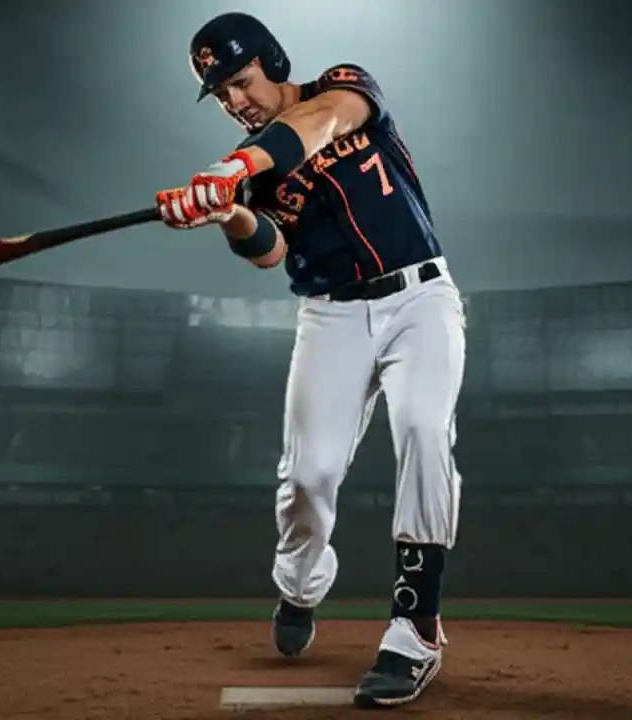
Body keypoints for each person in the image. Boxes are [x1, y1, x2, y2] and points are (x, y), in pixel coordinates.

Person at [154, 12, 466, 709]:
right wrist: (225, 209)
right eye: (221, 93)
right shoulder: (254, 173)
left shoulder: (344, 86)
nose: (235, 101)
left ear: (274, 60)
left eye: (240, 80)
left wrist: (234, 167)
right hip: (331, 315)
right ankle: (298, 589)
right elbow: (267, 250)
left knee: (422, 430)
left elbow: (325, 121)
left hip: (421, 297)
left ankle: (415, 629)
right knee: (310, 475)